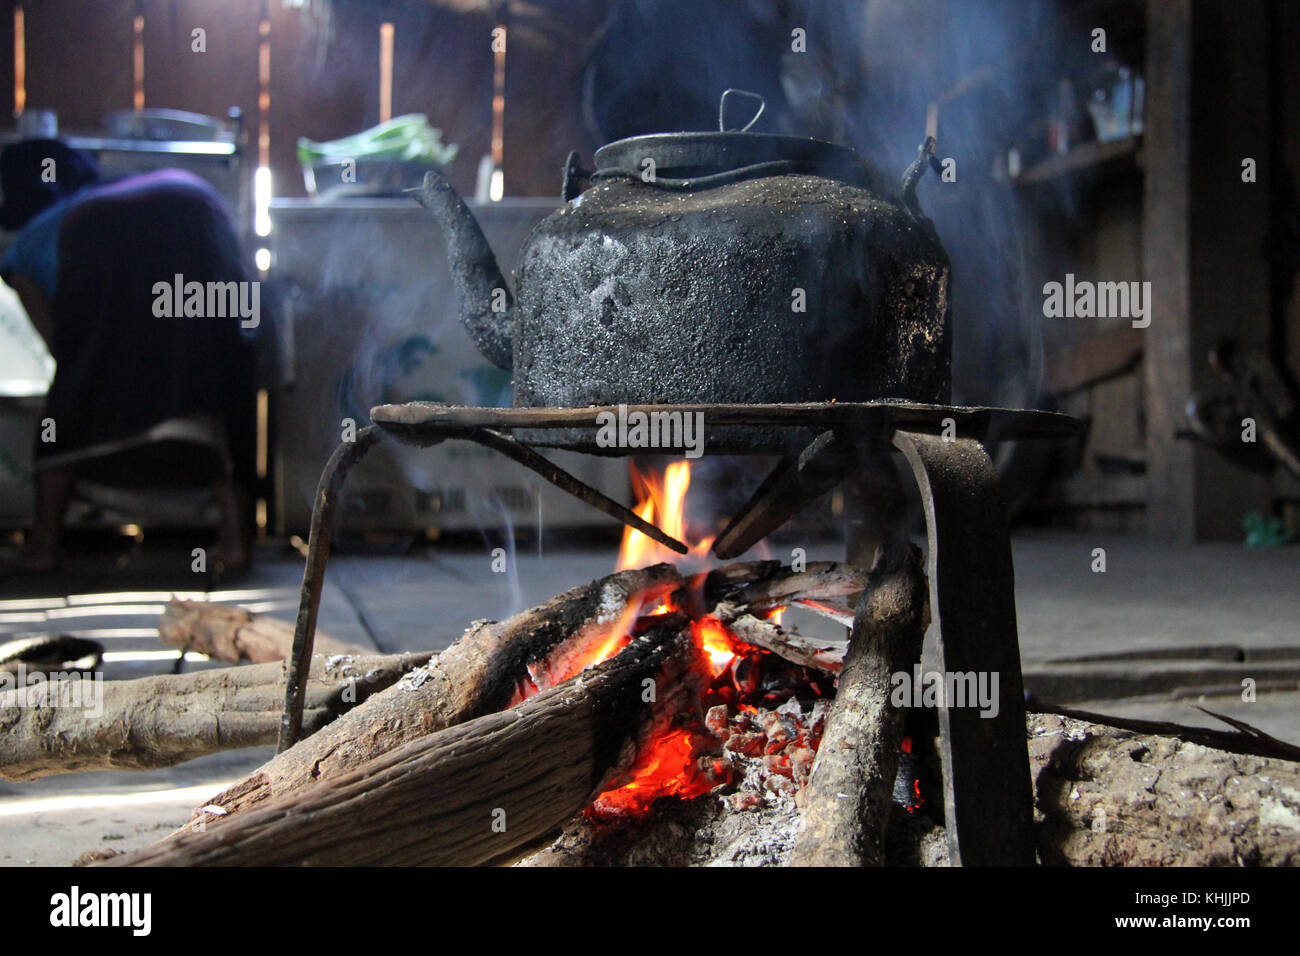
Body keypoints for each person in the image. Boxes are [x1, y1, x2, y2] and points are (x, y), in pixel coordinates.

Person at [0, 140, 255, 575]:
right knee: (214, 390)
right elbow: (241, 313)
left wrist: (83, 376)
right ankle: (234, 544)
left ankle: (43, 546)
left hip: (101, 234)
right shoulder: (128, 187)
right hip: (197, 209)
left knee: (67, 408)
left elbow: (58, 341)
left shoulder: (30, 240)